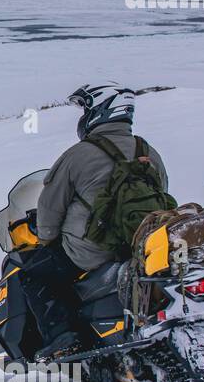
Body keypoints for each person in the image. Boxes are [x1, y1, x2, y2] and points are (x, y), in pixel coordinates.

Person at [23, 82, 169, 358]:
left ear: (100, 111)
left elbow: (50, 205)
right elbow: (163, 191)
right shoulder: (148, 151)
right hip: (142, 248)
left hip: (90, 251)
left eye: (86, 109)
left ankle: (63, 339)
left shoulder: (80, 154)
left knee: (35, 275)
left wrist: (46, 240)